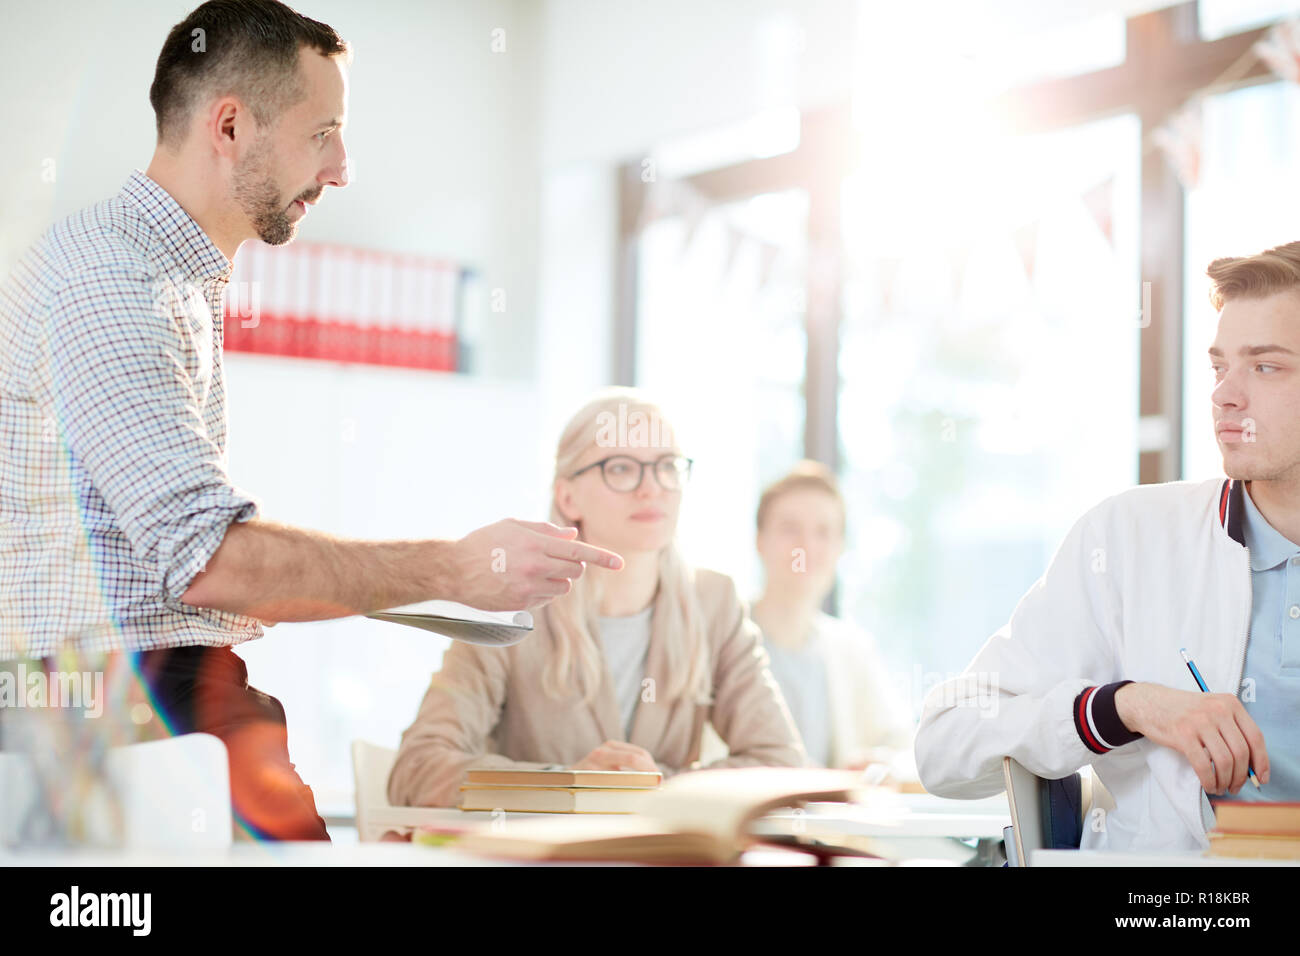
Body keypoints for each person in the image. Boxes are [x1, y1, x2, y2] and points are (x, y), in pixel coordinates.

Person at [0, 0, 620, 843]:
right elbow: (213, 562)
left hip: (156, 711)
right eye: (322, 132)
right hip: (118, 723)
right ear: (229, 125)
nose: (343, 168)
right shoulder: (113, 282)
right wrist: (454, 567)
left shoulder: (166, 279)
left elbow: (199, 565)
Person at [914, 241, 1300, 852]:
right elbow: (945, 743)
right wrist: (1128, 707)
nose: (1225, 394)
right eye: (1219, 365)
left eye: (1266, 366)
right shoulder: (1128, 537)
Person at [387, 388, 806, 808]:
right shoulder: (510, 605)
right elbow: (418, 767)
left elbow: (781, 762)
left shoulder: (714, 602)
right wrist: (568, 786)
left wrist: (662, 788)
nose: (651, 489)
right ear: (568, 497)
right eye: (621, 468)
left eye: (667, 467)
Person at [746, 461, 913, 772]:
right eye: (789, 529)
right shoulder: (719, 636)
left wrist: (878, 765)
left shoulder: (852, 649)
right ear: (759, 541)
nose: (806, 546)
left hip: (831, 821)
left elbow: (901, 747)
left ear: (839, 548)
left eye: (823, 532)